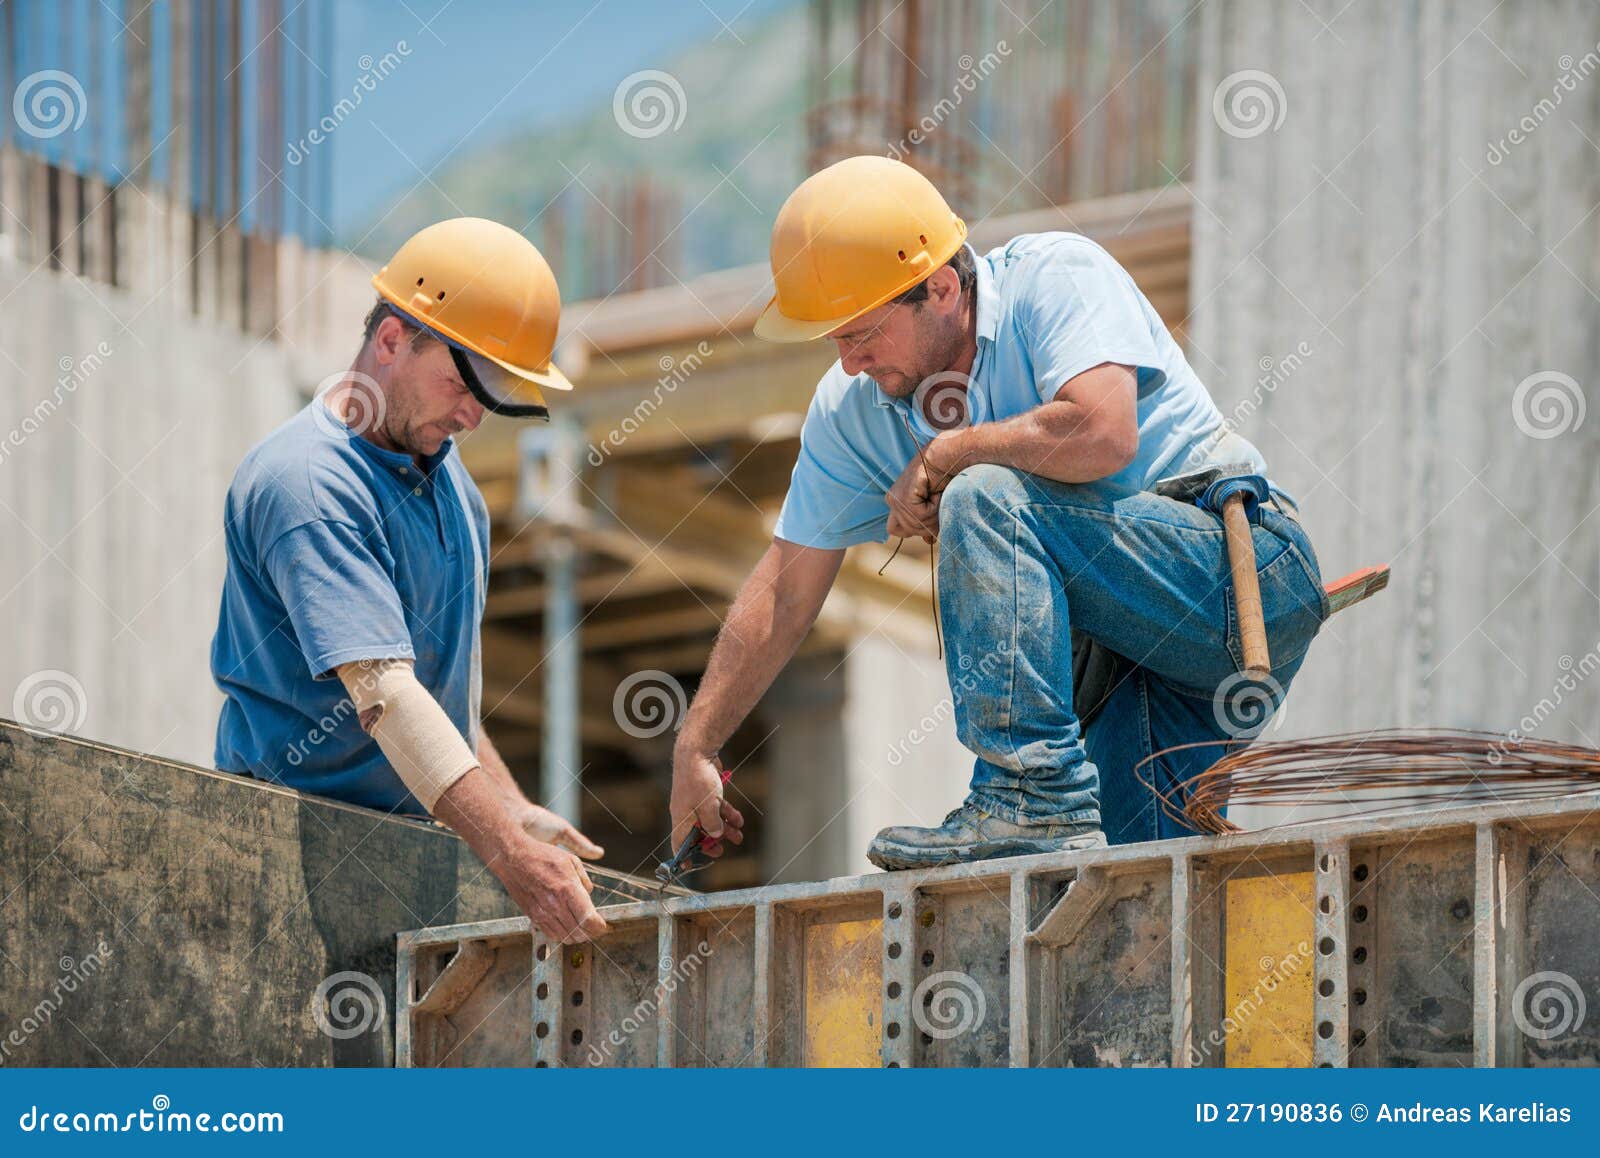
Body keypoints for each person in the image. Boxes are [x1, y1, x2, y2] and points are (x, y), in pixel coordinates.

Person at [669, 156, 1328, 870]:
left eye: (860, 334)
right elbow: (786, 586)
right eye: (835, 341)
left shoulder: (1054, 278)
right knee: (1140, 901)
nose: (850, 361)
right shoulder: (851, 409)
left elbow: (1105, 432)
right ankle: (1048, 812)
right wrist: (696, 743)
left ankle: (1029, 798)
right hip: (1129, 665)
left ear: (943, 287)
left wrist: (951, 452)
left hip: (1239, 580)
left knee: (982, 493)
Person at [212, 217, 607, 942]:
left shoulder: (454, 492)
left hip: (396, 859)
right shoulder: (308, 485)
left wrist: (513, 810)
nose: (472, 416)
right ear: (392, 340)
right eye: (462, 384)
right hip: (283, 858)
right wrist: (510, 855)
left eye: (489, 396)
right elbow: (386, 696)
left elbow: (429, 694)